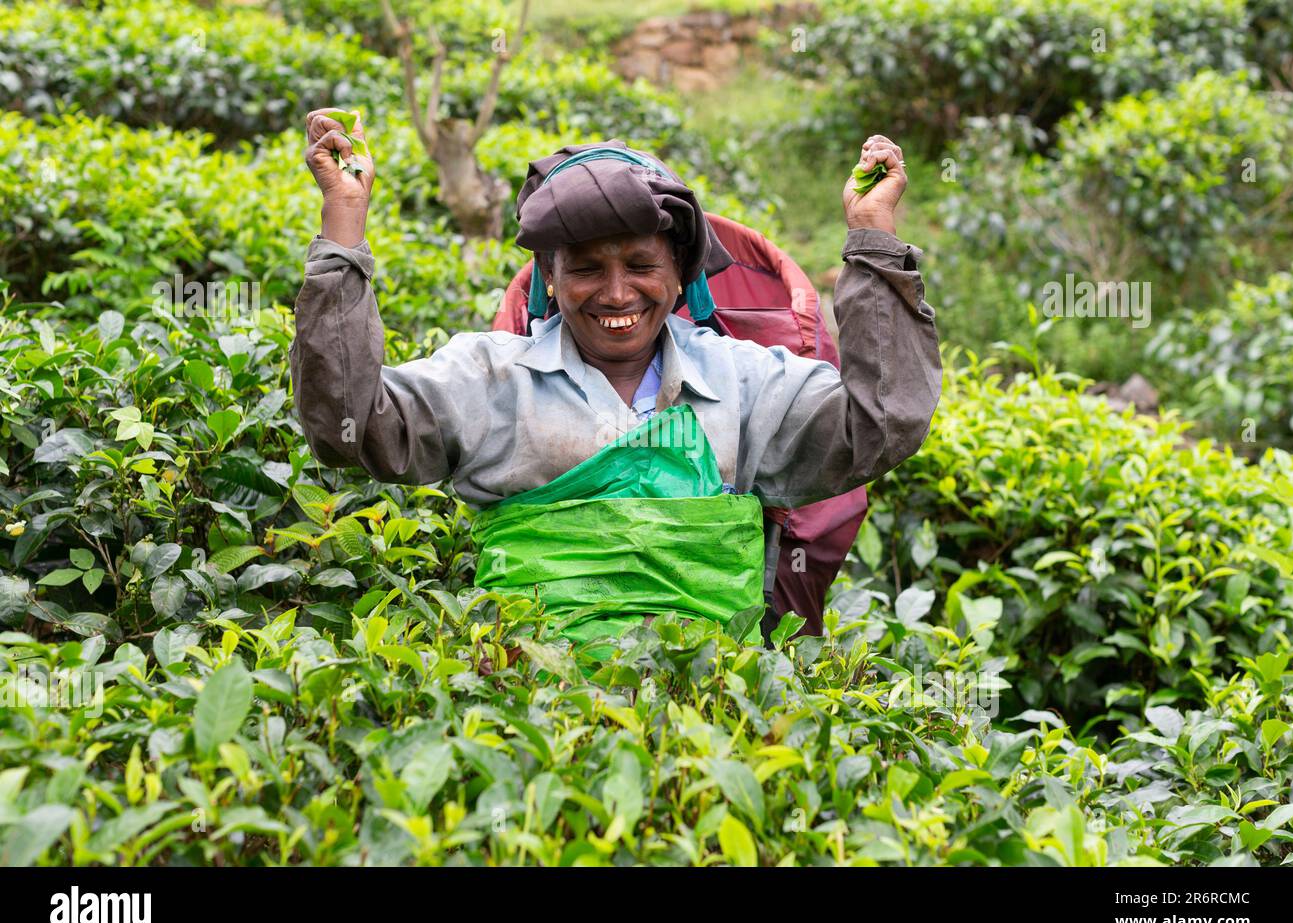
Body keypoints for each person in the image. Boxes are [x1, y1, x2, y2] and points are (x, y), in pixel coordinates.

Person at [289, 109, 942, 647]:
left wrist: (872, 233)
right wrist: (343, 224)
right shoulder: (492, 378)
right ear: (550, 276)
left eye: (640, 265)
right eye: (586, 270)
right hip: (533, 729)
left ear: (681, 273)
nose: (616, 293)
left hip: (716, 730)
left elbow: (879, 422)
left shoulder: (743, 383)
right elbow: (350, 429)